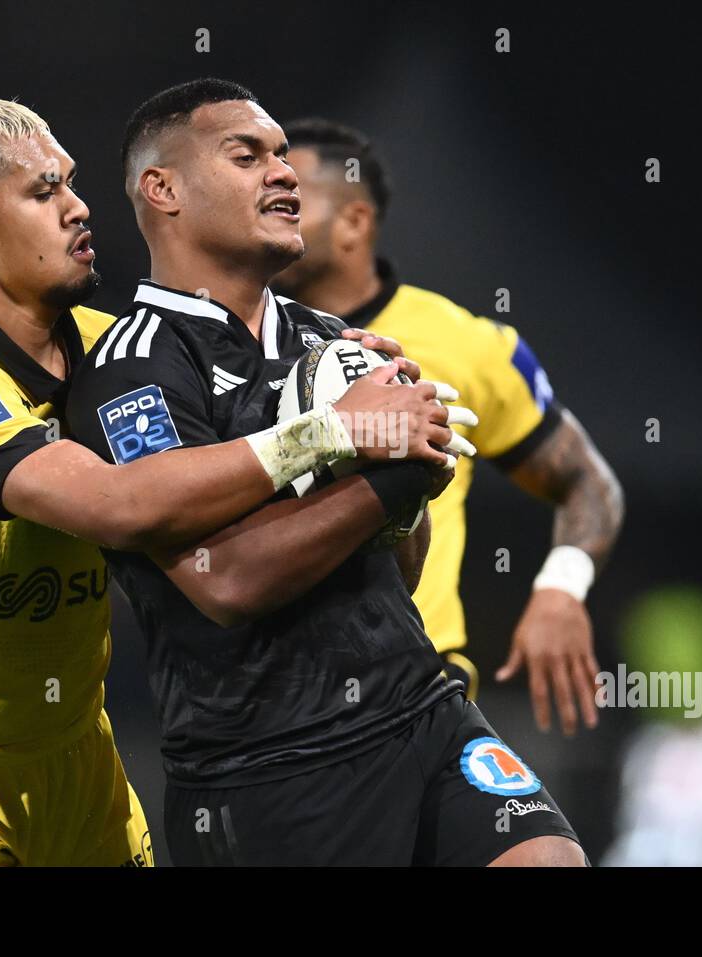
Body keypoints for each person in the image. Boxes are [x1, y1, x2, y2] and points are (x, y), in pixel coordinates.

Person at [0, 96, 443, 866]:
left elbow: (231, 454)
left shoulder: (111, 349)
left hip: (75, 757)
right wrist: (335, 427)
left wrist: (326, 368)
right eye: (44, 193)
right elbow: (121, 504)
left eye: (72, 184)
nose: (79, 208)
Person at [65, 78, 587, 865]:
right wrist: (384, 476)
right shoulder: (133, 367)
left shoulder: (333, 340)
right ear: (162, 189)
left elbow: (400, 566)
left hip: (421, 706)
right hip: (270, 763)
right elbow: (226, 581)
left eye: (283, 155)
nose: (282, 173)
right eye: (248, 155)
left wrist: (417, 471)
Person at [273, 118, 625, 735]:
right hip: (274, 685)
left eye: (293, 196)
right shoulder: (227, 337)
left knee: (546, 838)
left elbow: (587, 482)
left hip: (423, 678)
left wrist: (560, 589)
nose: (273, 206)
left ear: (354, 221)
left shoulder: (465, 342)